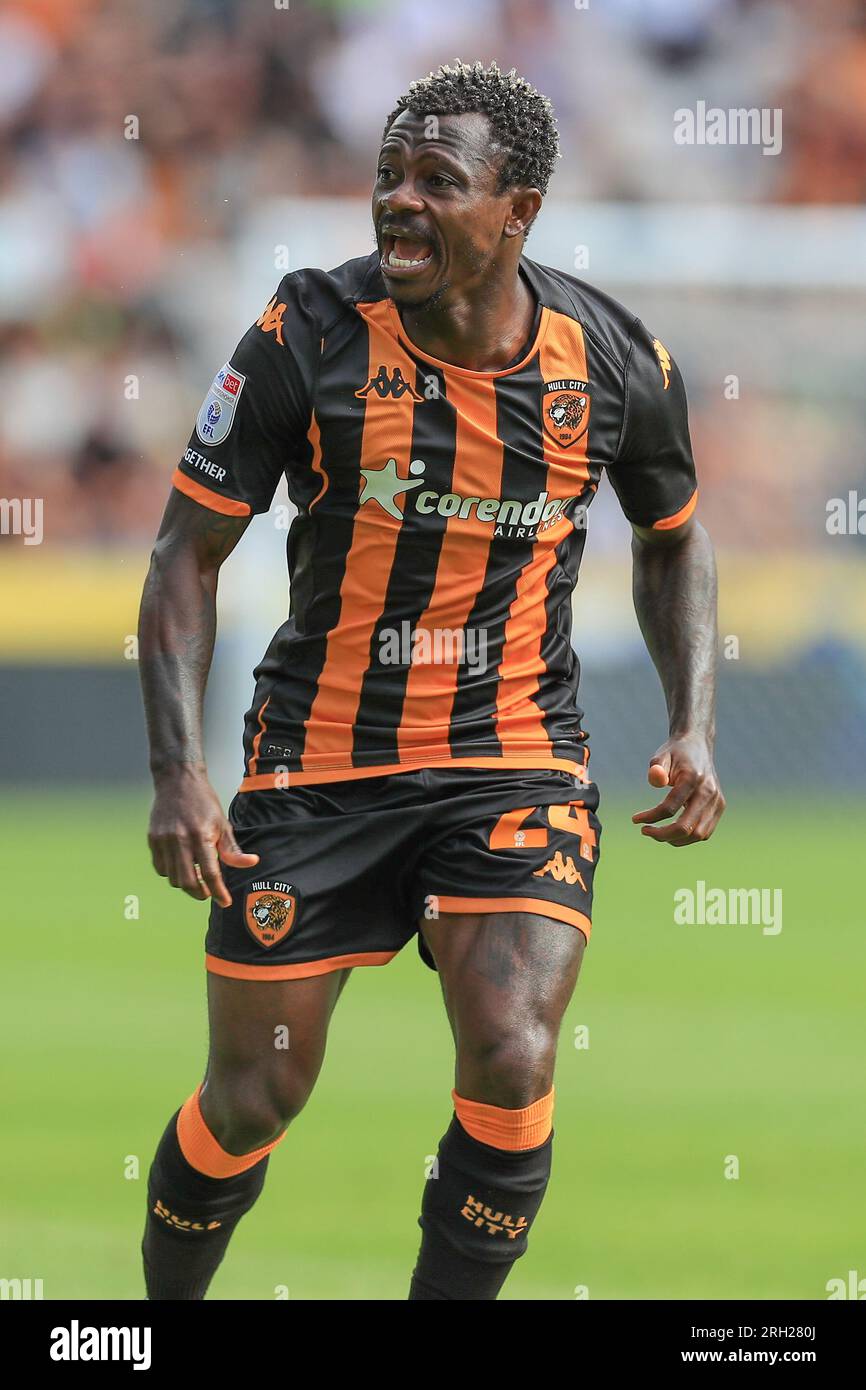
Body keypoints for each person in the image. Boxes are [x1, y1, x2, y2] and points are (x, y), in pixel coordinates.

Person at [138, 60, 724, 1301]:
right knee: (253, 1099)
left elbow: (674, 537)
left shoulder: (611, 358)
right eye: (387, 177)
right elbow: (185, 556)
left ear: (515, 211)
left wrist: (690, 723)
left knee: (511, 1054)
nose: (397, 203)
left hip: (511, 761)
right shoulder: (305, 330)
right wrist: (180, 772)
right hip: (320, 765)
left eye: (436, 182)